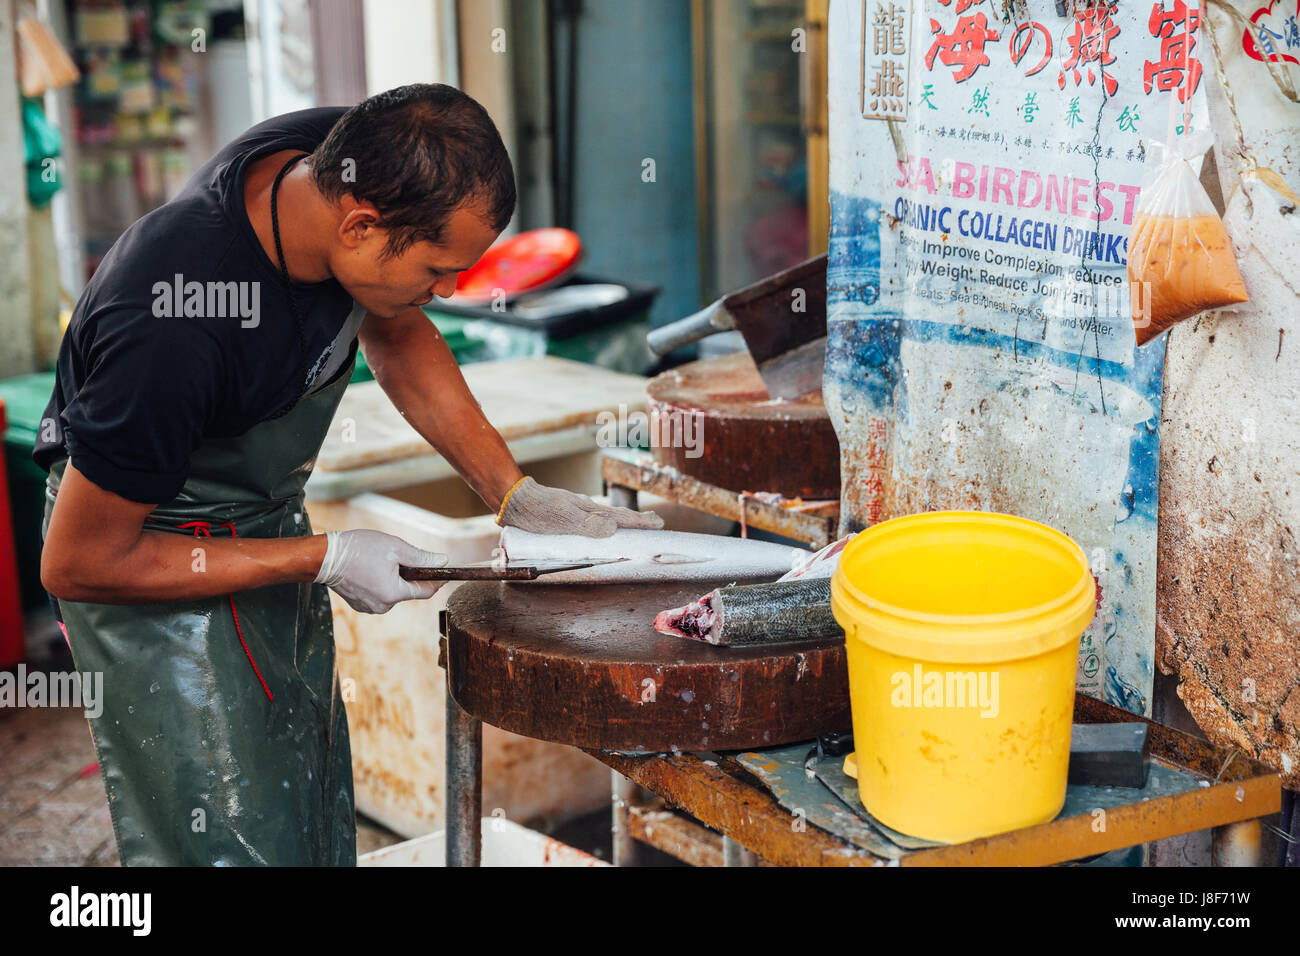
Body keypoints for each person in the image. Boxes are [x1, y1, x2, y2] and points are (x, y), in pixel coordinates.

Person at [35, 84, 660, 866]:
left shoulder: (345, 163)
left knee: (305, 790)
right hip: (145, 550)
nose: (451, 292)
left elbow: (396, 327)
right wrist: (323, 557)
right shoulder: (168, 326)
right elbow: (79, 562)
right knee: (228, 835)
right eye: (438, 268)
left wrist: (514, 494)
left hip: (259, 520)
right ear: (360, 224)